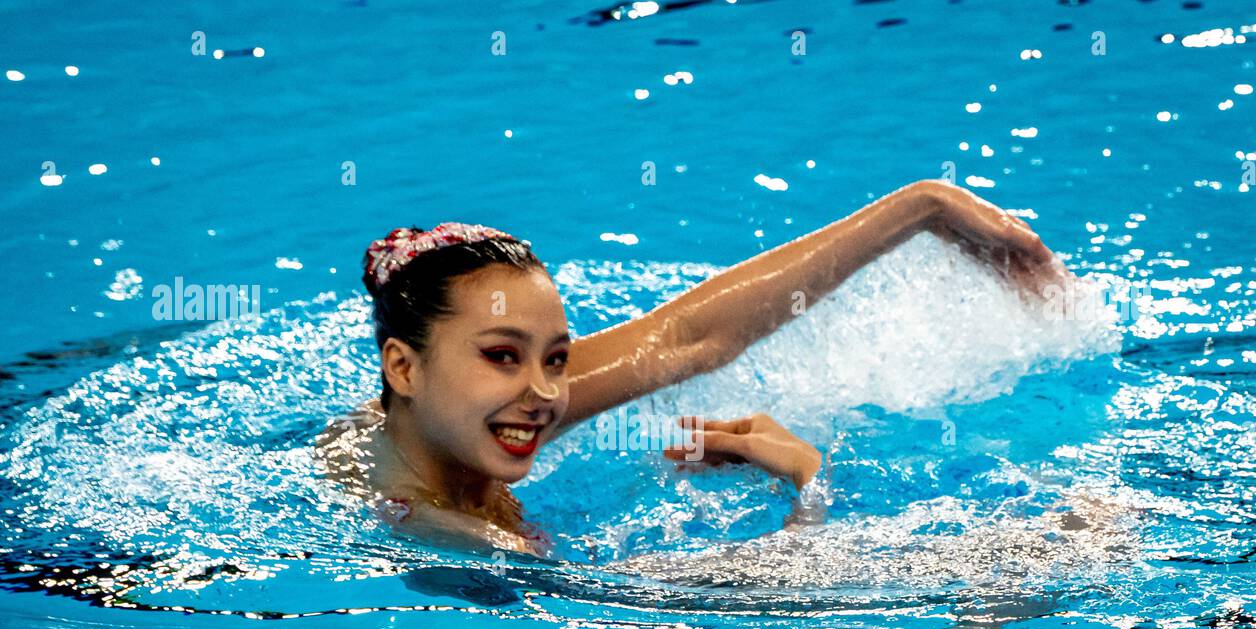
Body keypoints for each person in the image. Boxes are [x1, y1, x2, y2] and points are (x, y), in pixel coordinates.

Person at [316, 180, 1070, 556]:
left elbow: (686, 336)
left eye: (557, 357)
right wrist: (809, 481)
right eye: (503, 356)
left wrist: (922, 209)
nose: (545, 393)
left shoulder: (434, 416)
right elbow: (746, 604)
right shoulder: (439, 528)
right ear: (404, 368)